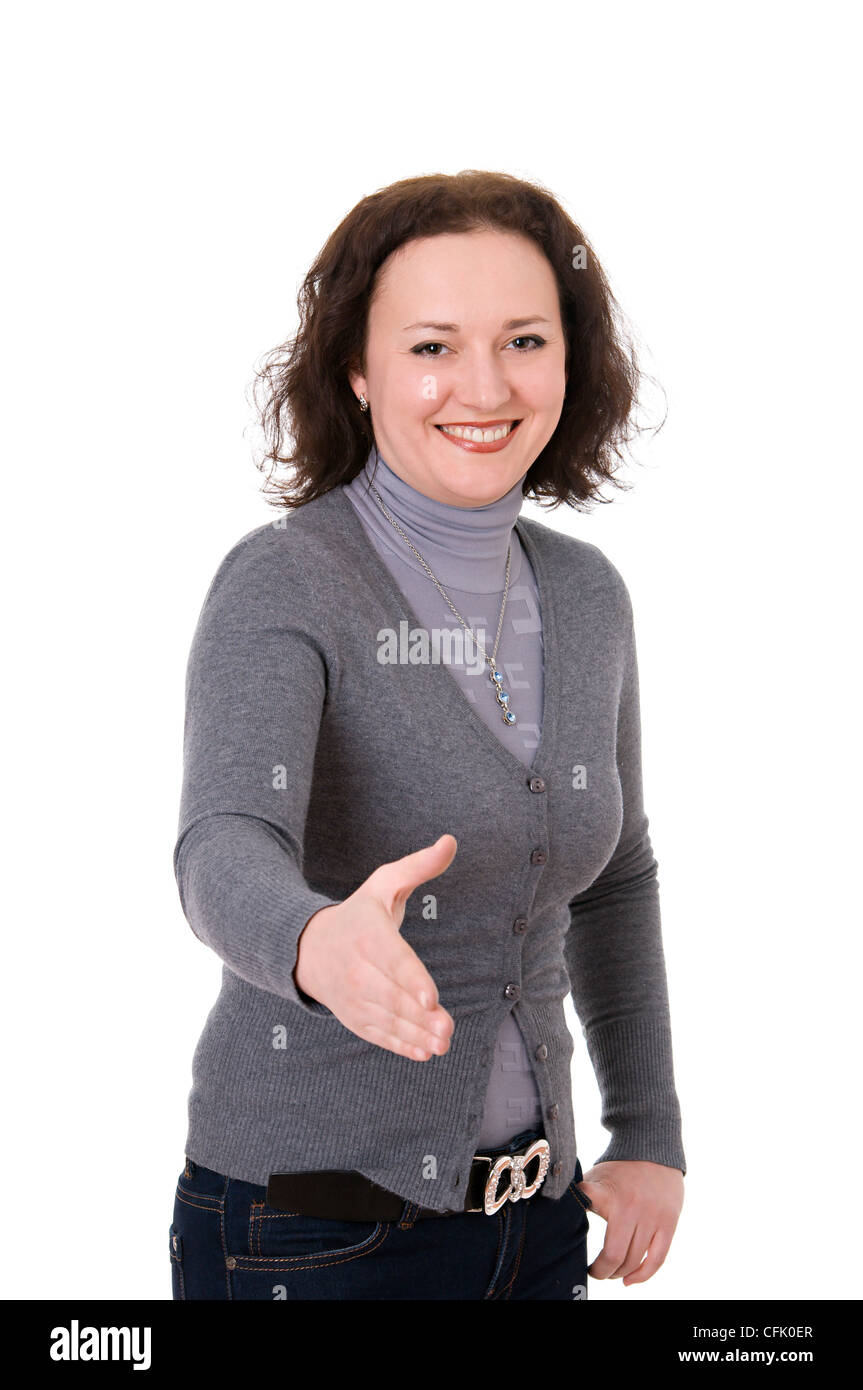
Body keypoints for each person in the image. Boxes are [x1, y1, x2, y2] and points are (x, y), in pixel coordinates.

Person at [168, 170, 686, 1301]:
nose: (484, 385)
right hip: (311, 1235)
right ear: (356, 370)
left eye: (523, 339)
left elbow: (614, 879)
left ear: (569, 359)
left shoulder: (588, 597)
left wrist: (645, 1130)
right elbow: (221, 842)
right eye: (431, 347)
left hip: (540, 1228)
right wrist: (317, 946)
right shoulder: (286, 584)